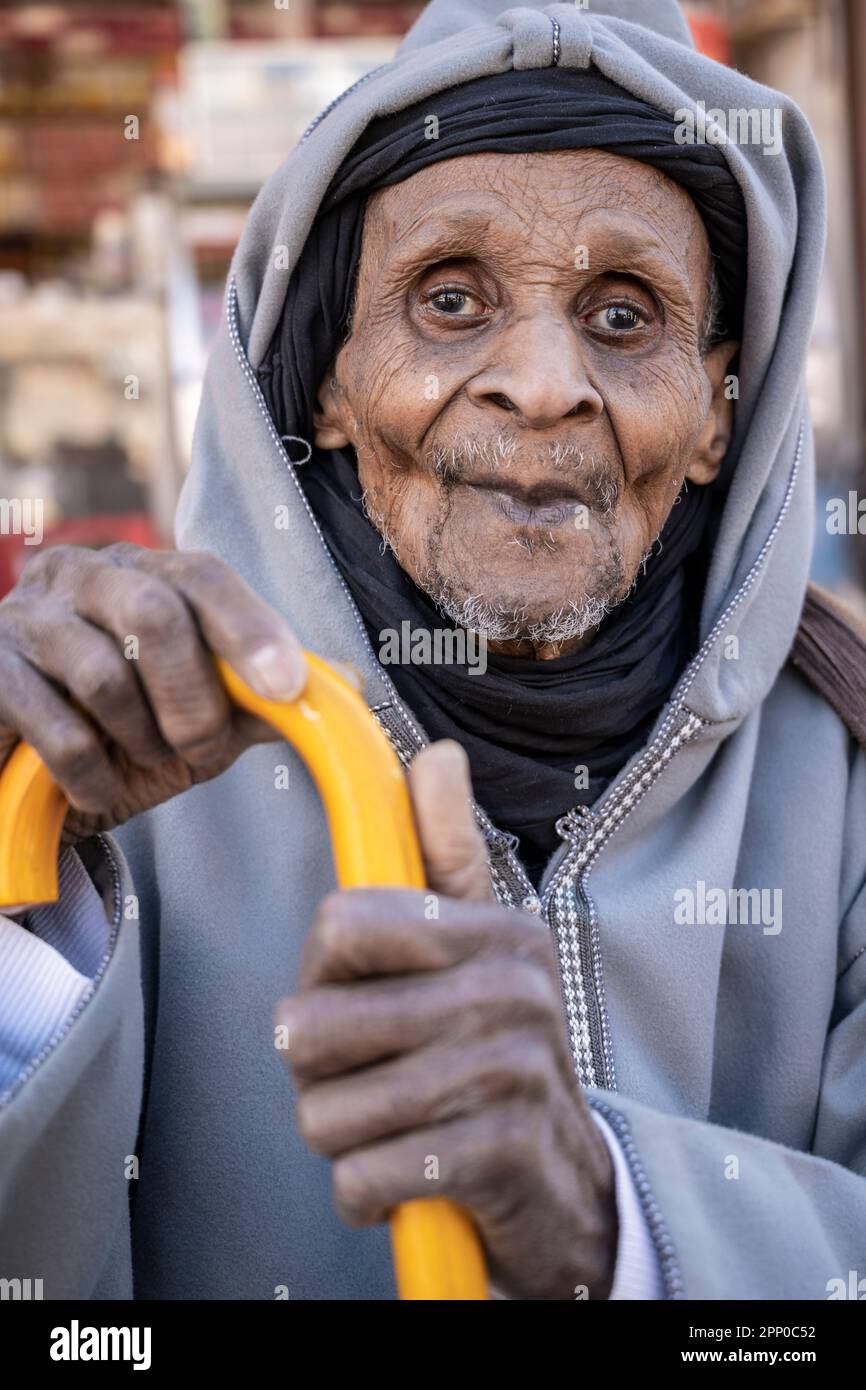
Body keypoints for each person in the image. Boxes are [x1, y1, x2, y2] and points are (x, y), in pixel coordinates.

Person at [1, 0, 864, 1300]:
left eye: (623, 317)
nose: (540, 382)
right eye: (449, 299)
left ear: (713, 414)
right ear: (331, 388)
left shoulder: (840, 791)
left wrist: (606, 1208)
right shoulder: (125, 764)